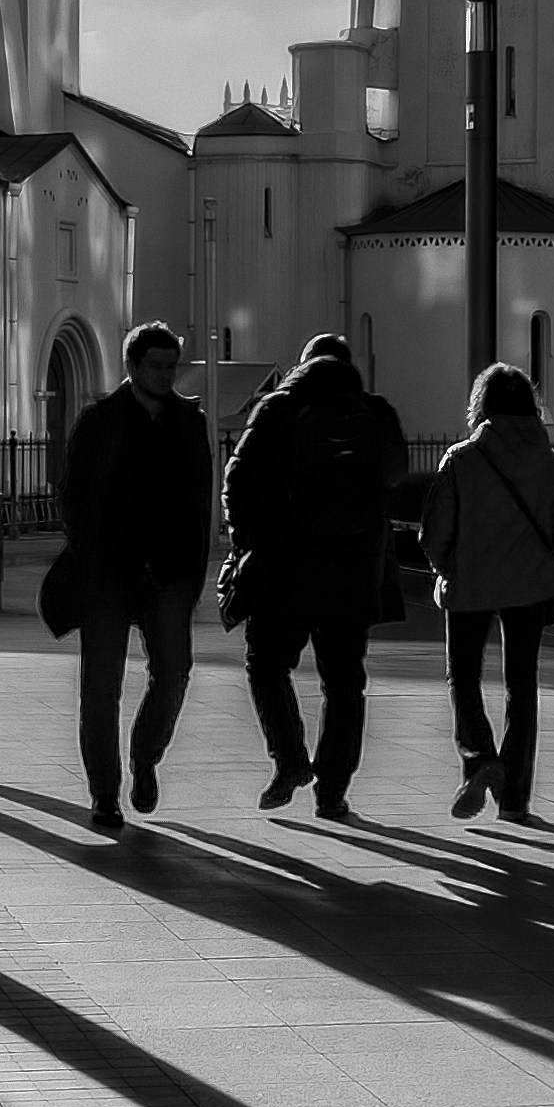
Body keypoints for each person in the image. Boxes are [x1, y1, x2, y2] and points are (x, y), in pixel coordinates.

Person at [221, 332, 406, 820]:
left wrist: (248, 544)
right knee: (344, 683)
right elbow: (394, 479)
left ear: (303, 365)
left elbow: (236, 482)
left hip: (287, 567)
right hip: (354, 571)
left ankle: (289, 760)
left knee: (266, 663)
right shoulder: (378, 413)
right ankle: (333, 792)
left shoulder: (277, 408)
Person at [57, 321, 212, 831]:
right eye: (156, 366)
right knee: (101, 688)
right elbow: (74, 498)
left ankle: (145, 759)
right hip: (110, 576)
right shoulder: (101, 421)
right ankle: (105, 793)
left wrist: (191, 575)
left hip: (168, 574)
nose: (166, 375)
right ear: (132, 366)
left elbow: (197, 502)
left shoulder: (189, 423)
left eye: (172, 366)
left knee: (173, 675)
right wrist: (94, 558)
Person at [421, 364, 554, 822]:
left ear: (482, 405)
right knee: (521, 685)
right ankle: (514, 798)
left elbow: (435, 535)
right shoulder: (548, 464)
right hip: (530, 586)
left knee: (464, 676)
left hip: (469, 583)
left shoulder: (461, 459)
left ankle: (479, 758)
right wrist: (541, 560)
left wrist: (446, 568)